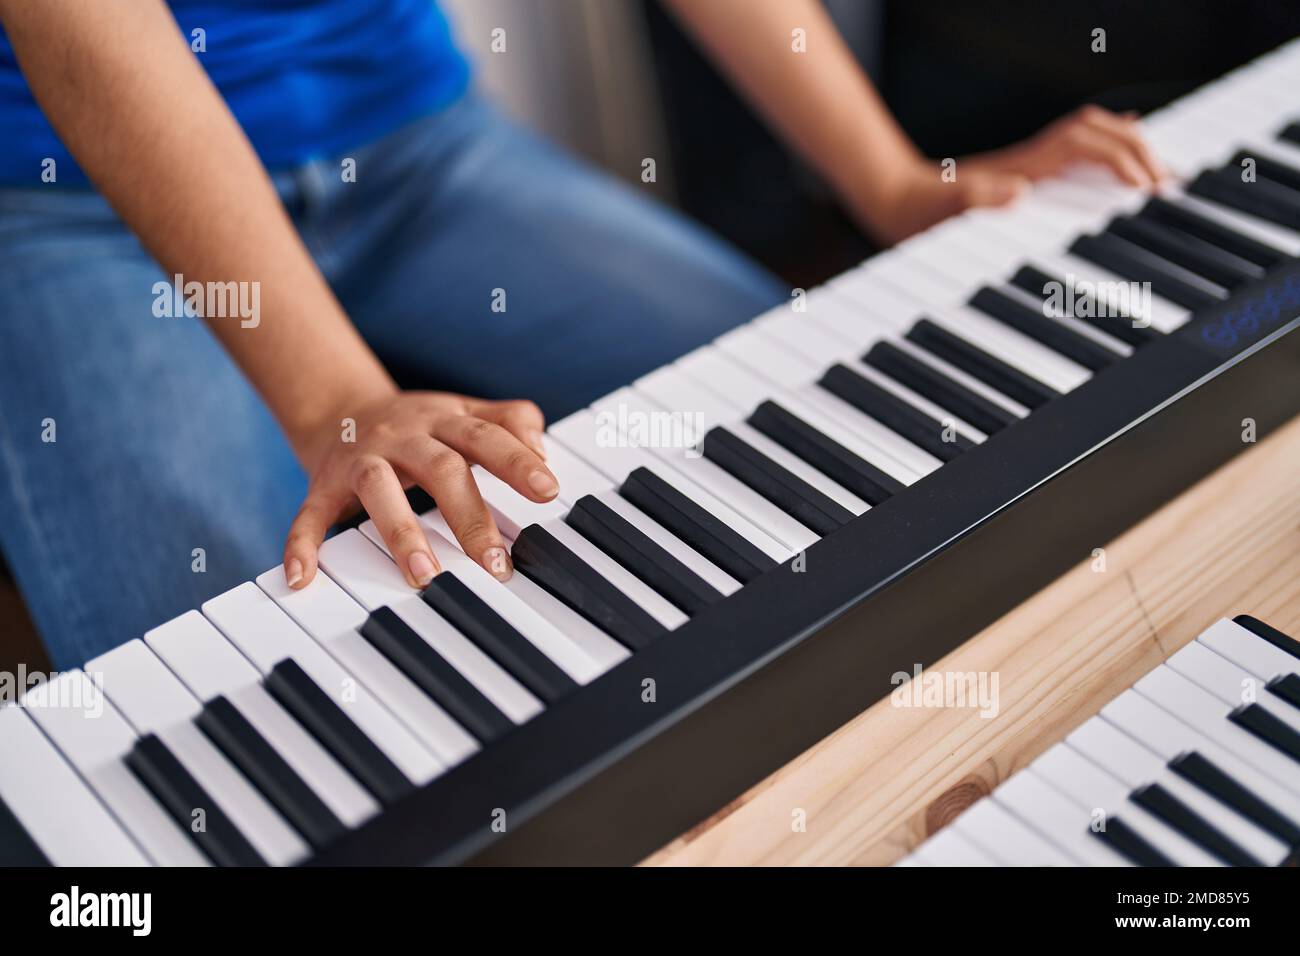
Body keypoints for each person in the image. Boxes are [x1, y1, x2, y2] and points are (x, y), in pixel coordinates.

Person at [0, 0, 1164, 668]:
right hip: (67, 200)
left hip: (413, 142)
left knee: (826, 429)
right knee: (232, 650)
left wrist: (893, 182)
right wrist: (333, 397)